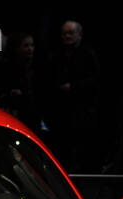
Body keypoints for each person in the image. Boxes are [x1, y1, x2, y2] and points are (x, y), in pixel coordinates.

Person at [48, 20, 100, 172]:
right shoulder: (57, 56)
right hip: (62, 112)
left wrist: (74, 87)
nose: (67, 36)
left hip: (82, 111)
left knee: (81, 150)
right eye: (64, 33)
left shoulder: (88, 54)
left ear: (79, 35)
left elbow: (96, 81)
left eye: (71, 33)